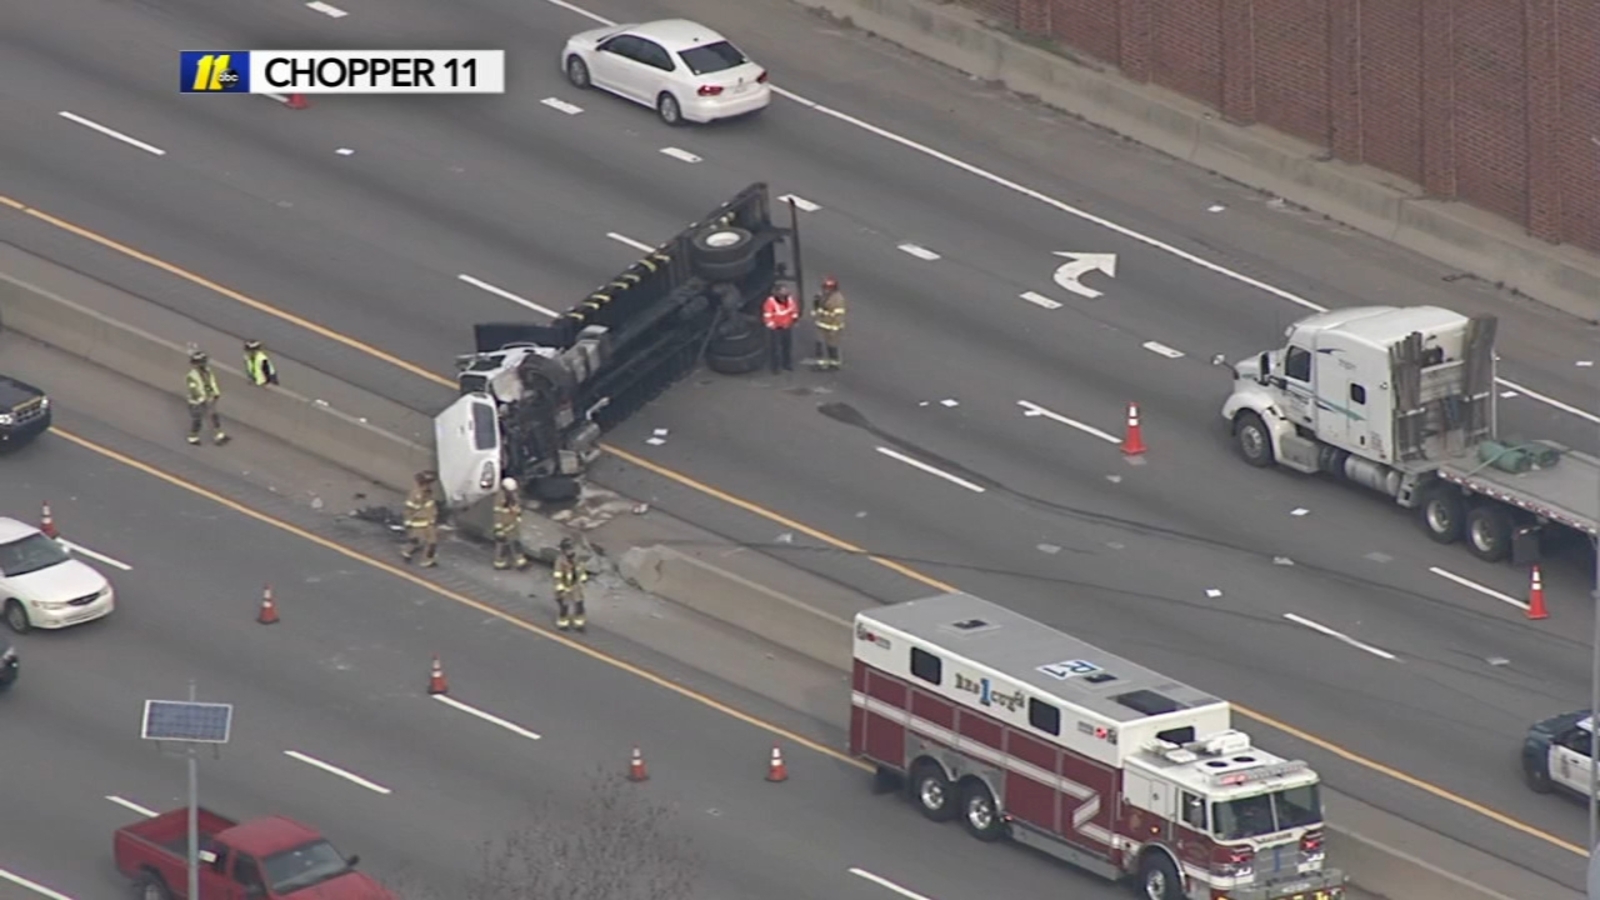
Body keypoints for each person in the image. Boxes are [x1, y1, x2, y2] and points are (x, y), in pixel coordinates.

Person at [184, 349, 230, 445]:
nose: (203, 364)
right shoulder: (191, 376)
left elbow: (211, 382)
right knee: (198, 420)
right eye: (201, 362)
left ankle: (219, 435)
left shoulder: (208, 372)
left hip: (209, 398)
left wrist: (215, 393)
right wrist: (200, 398)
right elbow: (193, 389)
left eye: (204, 362)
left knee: (213, 416)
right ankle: (193, 437)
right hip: (196, 402)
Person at [400, 471, 440, 568]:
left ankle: (427, 560)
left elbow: (430, 506)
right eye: (428, 482)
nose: (429, 485)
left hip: (428, 522)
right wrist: (408, 522)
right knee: (416, 541)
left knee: (432, 542)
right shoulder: (416, 494)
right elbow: (409, 508)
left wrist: (432, 518)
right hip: (418, 522)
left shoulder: (427, 492)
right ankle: (406, 552)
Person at [491, 478, 530, 571]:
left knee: (516, 543)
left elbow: (516, 507)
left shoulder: (511, 496)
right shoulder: (500, 498)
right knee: (502, 546)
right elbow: (497, 514)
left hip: (513, 526)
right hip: (505, 527)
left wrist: (518, 516)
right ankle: (499, 563)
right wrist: (499, 529)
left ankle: (521, 562)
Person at [761, 284, 800, 373]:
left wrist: (794, 320)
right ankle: (775, 368)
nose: (785, 292)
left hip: (787, 326)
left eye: (785, 290)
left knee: (787, 347)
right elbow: (767, 315)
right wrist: (772, 326)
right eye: (782, 291)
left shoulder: (789, 300)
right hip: (776, 328)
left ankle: (787, 364)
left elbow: (794, 311)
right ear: (777, 292)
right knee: (775, 348)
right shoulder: (770, 302)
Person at [552, 537, 588, 631]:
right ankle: (563, 623)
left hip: (575, 585)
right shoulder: (560, 561)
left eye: (571, 549)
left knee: (579, 605)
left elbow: (581, 569)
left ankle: (579, 624)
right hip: (565, 587)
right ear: (564, 550)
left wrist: (583, 578)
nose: (570, 551)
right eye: (568, 549)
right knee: (564, 606)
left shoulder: (577, 558)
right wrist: (560, 588)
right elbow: (557, 576)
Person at [812, 275, 847, 370]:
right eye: (825, 287)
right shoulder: (821, 296)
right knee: (819, 344)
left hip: (832, 327)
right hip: (822, 324)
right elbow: (818, 310)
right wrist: (816, 304)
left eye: (829, 288)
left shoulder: (838, 299)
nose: (826, 290)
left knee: (831, 346)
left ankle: (834, 364)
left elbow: (839, 316)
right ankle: (821, 364)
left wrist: (834, 330)